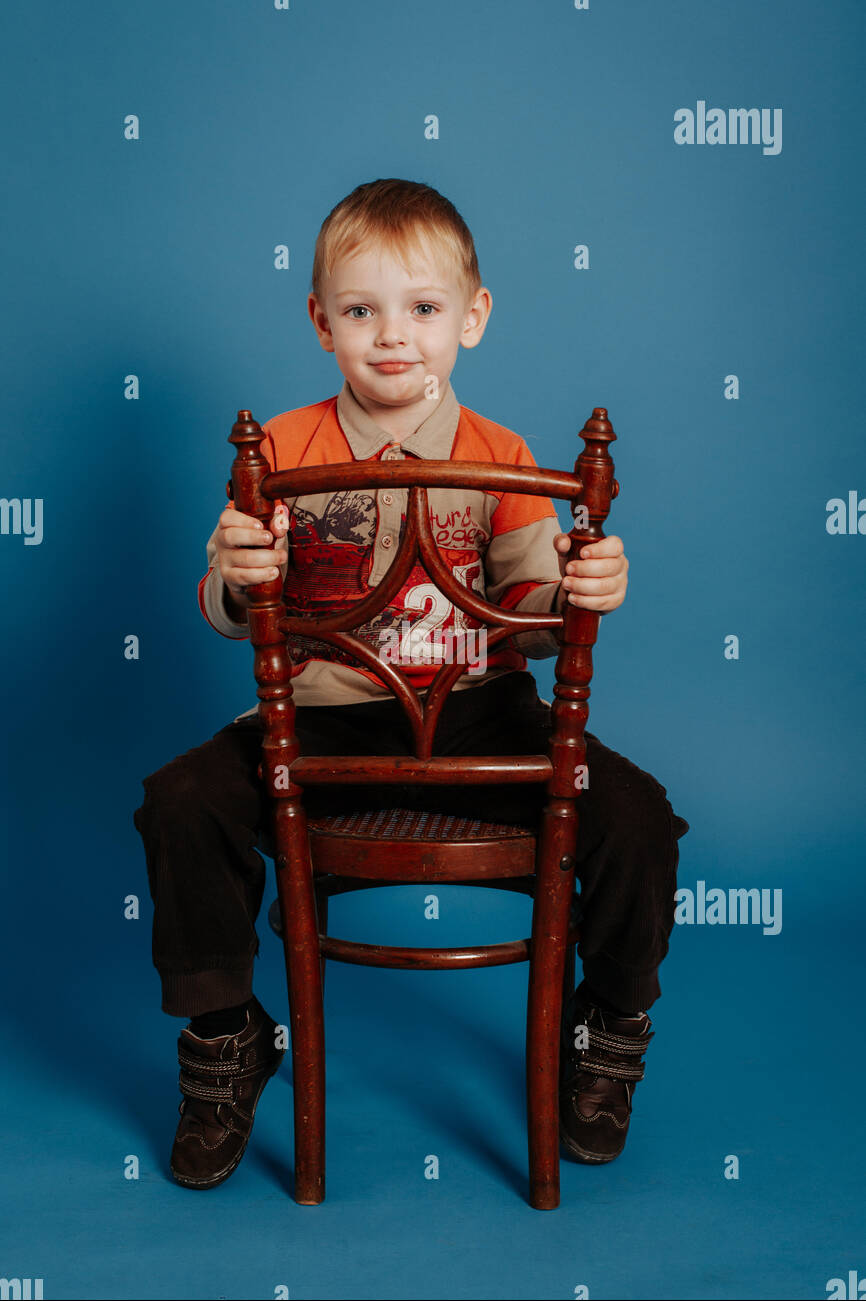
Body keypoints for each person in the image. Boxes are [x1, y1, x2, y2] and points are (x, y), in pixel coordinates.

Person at [133, 177, 689, 1191]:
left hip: (483, 715)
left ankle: (606, 1024)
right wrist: (231, 570)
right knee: (181, 799)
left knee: (638, 816)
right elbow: (227, 610)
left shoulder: (502, 459)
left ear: (471, 318)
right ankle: (224, 1037)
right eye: (360, 310)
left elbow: (533, 605)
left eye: (422, 309)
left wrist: (587, 583)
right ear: (320, 322)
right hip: (323, 724)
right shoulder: (279, 455)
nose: (392, 336)